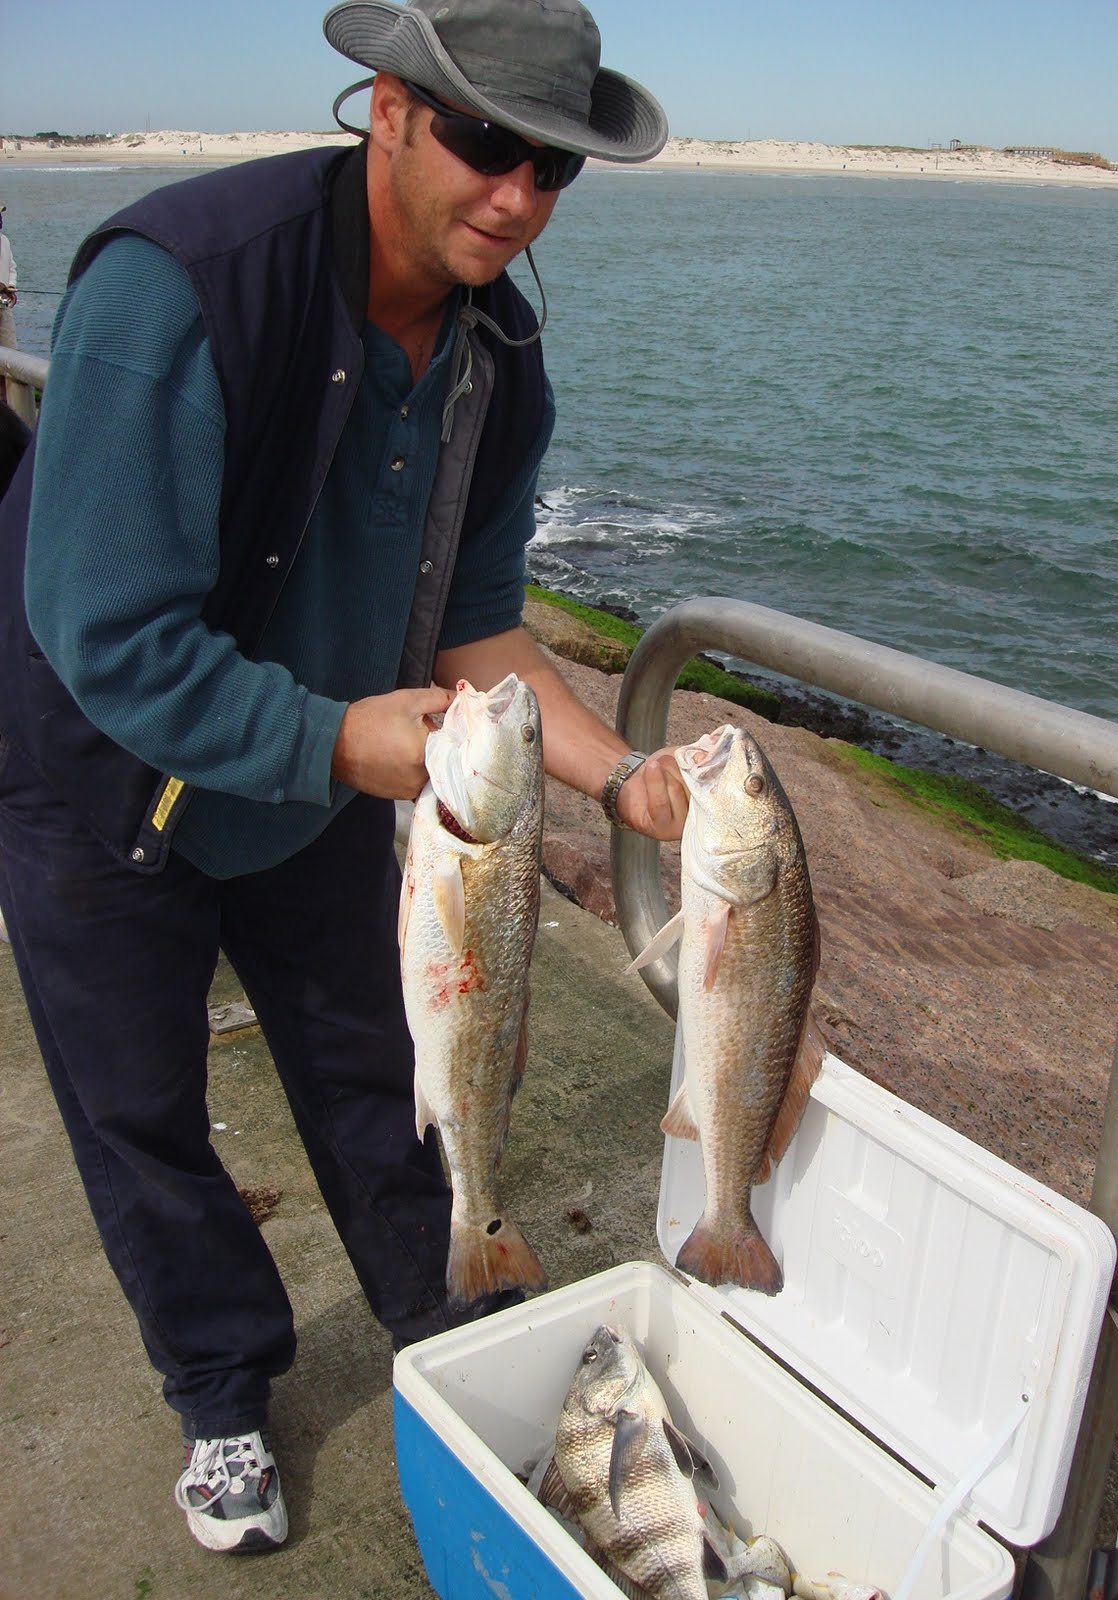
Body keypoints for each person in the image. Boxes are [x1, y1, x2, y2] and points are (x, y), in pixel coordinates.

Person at [0, 0, 685, 1557]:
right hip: (104, 784)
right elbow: (101, 629)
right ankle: (221, 1389)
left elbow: (479, 626)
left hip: (319, 775)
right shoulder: (179, 288)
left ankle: (455, 1318)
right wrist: (337, 737)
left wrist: (624, 776)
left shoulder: (500, 360)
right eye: (485, 145)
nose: (517, 196)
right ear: (385, 109)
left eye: (553, 167)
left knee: (387, 1077)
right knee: (140, 1114)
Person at [0, 206, 17, 349]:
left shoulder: (4, 240)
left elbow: (12, 267)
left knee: (10, 347)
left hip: (3, 302)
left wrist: (11, 286)